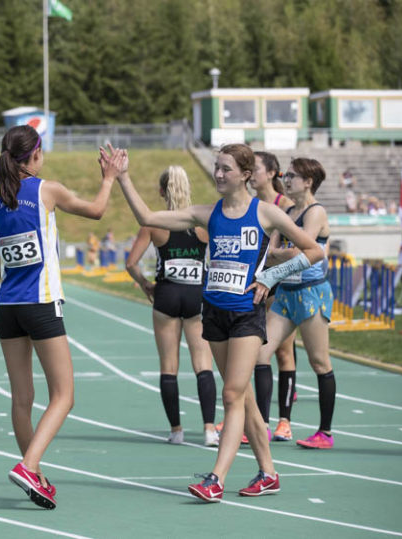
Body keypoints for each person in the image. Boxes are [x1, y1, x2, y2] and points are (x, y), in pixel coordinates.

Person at [112, 143, 324, 503]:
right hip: (214, 312)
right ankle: (269, 473)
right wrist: (123, 178)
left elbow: (314, 251)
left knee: (231, 395)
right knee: (244, 398)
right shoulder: (208, 215)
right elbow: (148, 217)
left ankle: (216, 478)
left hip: (246, 314)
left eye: (226, 168)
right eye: (217, 167)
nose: (219, 174)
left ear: (245, 174)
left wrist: (271, 277)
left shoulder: (266, 214)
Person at [0, 125, 124, 510]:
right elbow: (96, 211)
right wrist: (109, 178)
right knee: (64, 395)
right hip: (41, 303)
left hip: (8, 307)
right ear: (35, 156)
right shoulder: (46, 189)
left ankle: (37, 477)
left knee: (21, 399)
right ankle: (30, 466)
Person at [125, 165, 218, 447]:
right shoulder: (202, 223)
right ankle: (209, 429)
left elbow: (131, 263)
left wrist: (145, 284)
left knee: (169, 365)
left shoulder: (154, 223)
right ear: (187, 188)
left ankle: (176, 431)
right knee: (203, 364)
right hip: (196, 296)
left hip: (165, 294)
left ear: (162, 191)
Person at [257, 157, 336, 450]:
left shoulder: (316, 212)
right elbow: (272, 251)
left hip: (311, 293)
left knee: (319, 362)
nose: (286, 180)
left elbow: (305, 250)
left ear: (308, 182)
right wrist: (281, 255)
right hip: (287, 295)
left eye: (292, 176)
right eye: (285, 175)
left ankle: (325, 432)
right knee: (260, 355)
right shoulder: (286, 211)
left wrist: (281, 254)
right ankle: (260, 425)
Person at [250, 151, 298, 442]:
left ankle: (285, 420)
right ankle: (257, 421)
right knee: (253, 352)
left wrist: (272, 262)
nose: (250, 173)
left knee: (283, 352)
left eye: (254, 168)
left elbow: (296, 250)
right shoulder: (248, 204)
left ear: (270, 173)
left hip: (280, 285)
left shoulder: (286, 206)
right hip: (253, 282)